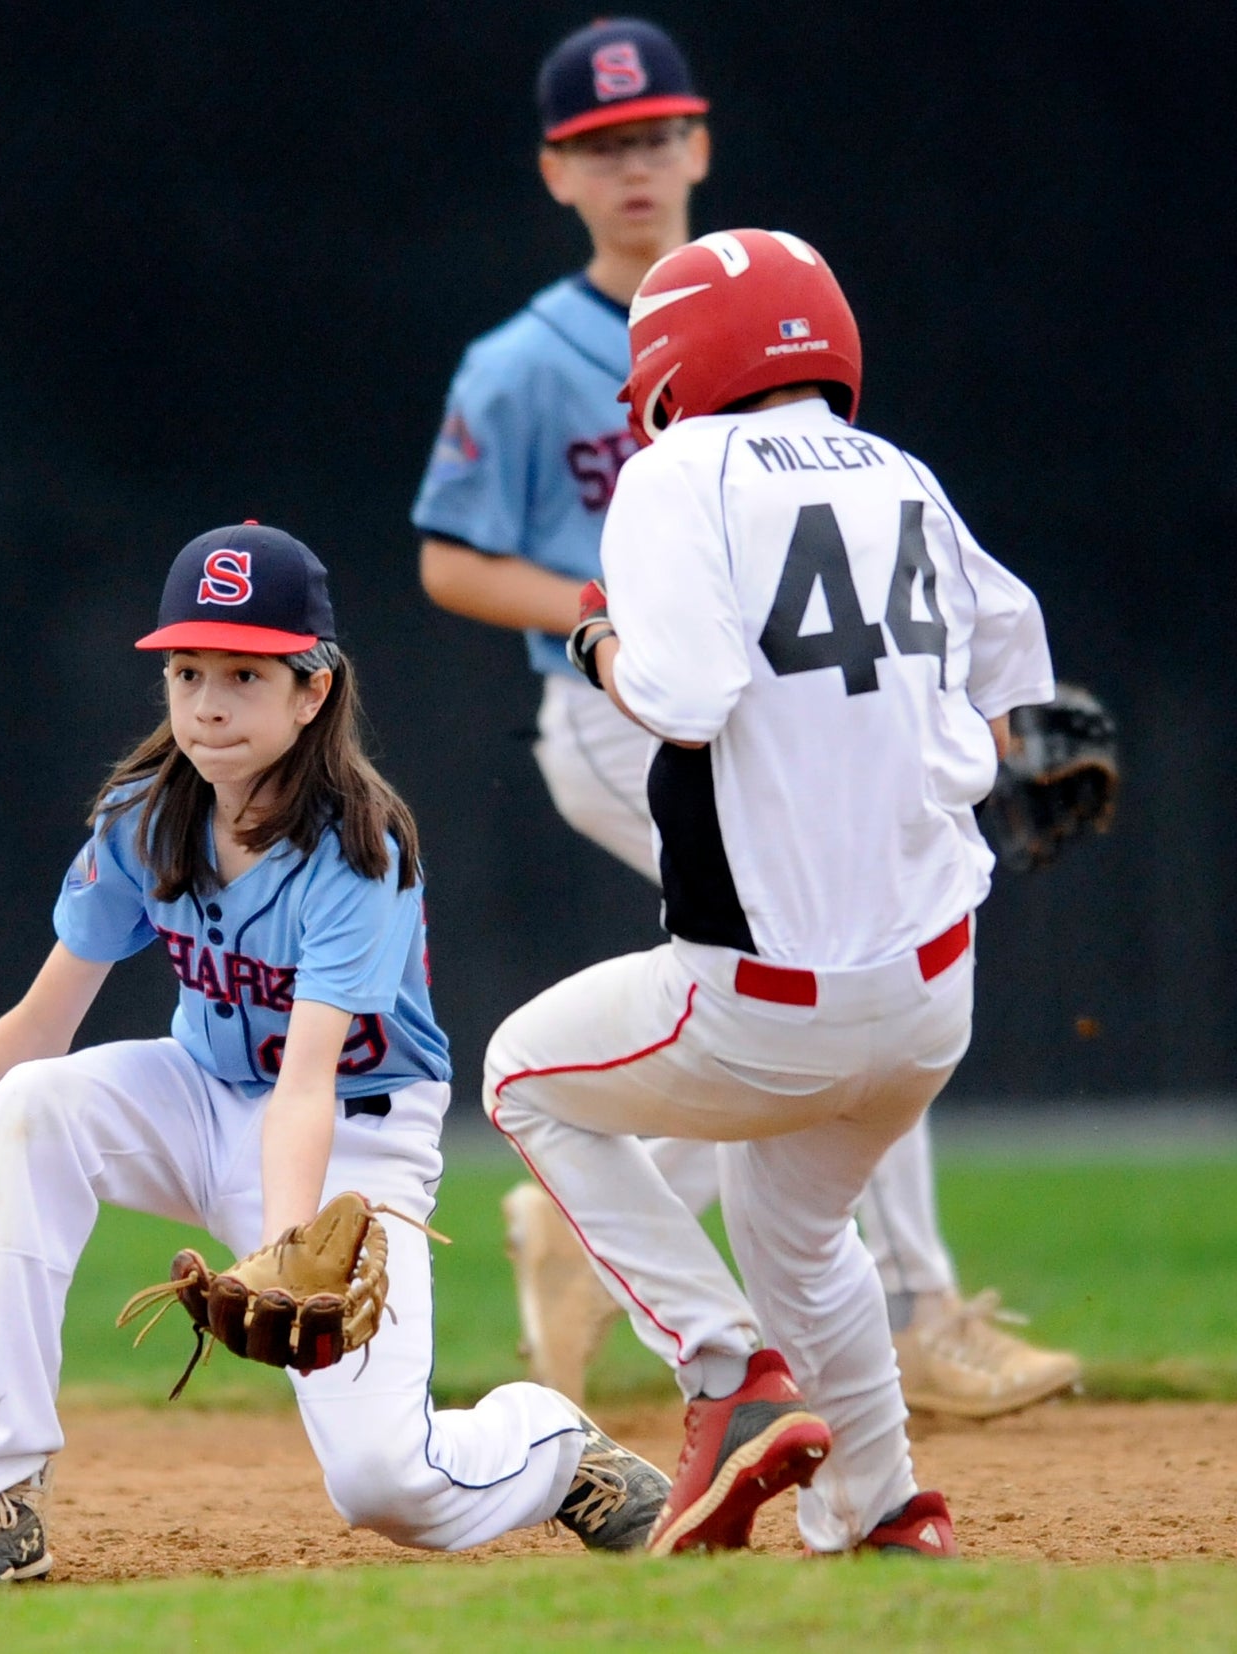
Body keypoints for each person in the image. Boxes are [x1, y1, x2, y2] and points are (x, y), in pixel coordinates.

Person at [411, 15, 1077, 1421]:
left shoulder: (746, 329)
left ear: (700, 146)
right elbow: (448, 560)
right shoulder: (521, 361)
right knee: (842, 951)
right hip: (618, 717)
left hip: (765, 703)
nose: (635, 165)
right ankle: (914, 1309)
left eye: (656, 135)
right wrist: (606, 617)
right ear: (556, 172)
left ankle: (606, 1221)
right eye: (602, 145)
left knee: (813, 984)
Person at [0, 522, 669, 1586]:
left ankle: (553, 1450)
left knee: (386, 1485)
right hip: (197, 1093)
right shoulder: (145, 816)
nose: (209, 704)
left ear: (312, 690)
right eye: (187, 672)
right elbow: (43, 1021)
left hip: (351, 1139)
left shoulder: (359, 849)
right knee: (39, 1100)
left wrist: (285, 1245)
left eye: (245, 673)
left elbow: (308, 1081)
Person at [485, 228, 1056, 1556]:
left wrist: (596, 635)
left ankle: (723, 1366)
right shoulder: (901, 472)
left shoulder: (677, 468)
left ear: (673, 363)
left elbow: (684, 698)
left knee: (523, 1075)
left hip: (767, 997)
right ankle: (884, 1505)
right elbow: (1012, 650)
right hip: (933, 996)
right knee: (794, 1226)